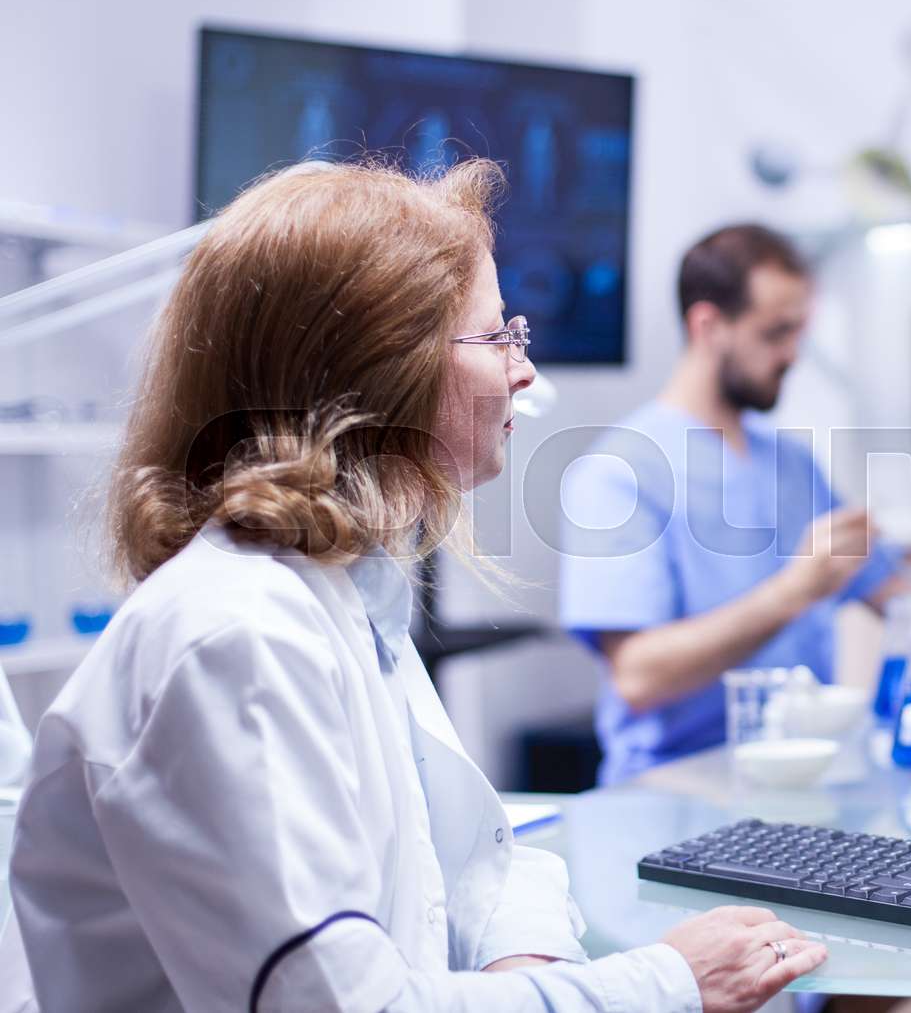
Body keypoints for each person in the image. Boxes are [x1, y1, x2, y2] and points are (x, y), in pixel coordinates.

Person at [0, 161, 824, 1012]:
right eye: (496, 336)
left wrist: (528, 962)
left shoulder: (345, 595)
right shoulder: (235, 636)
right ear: (377, 368)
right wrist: (665, 983)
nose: (524, 371)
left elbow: (471, 856)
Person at [559, 224, 909, 784]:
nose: (793, 355)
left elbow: (900, 594)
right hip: (672, 794)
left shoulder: (793, 465)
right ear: (708, 326)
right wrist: (793, 592)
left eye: (799, 333)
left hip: (803, 785)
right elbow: (639, 677)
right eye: (776, 333)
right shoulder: (618, 473)